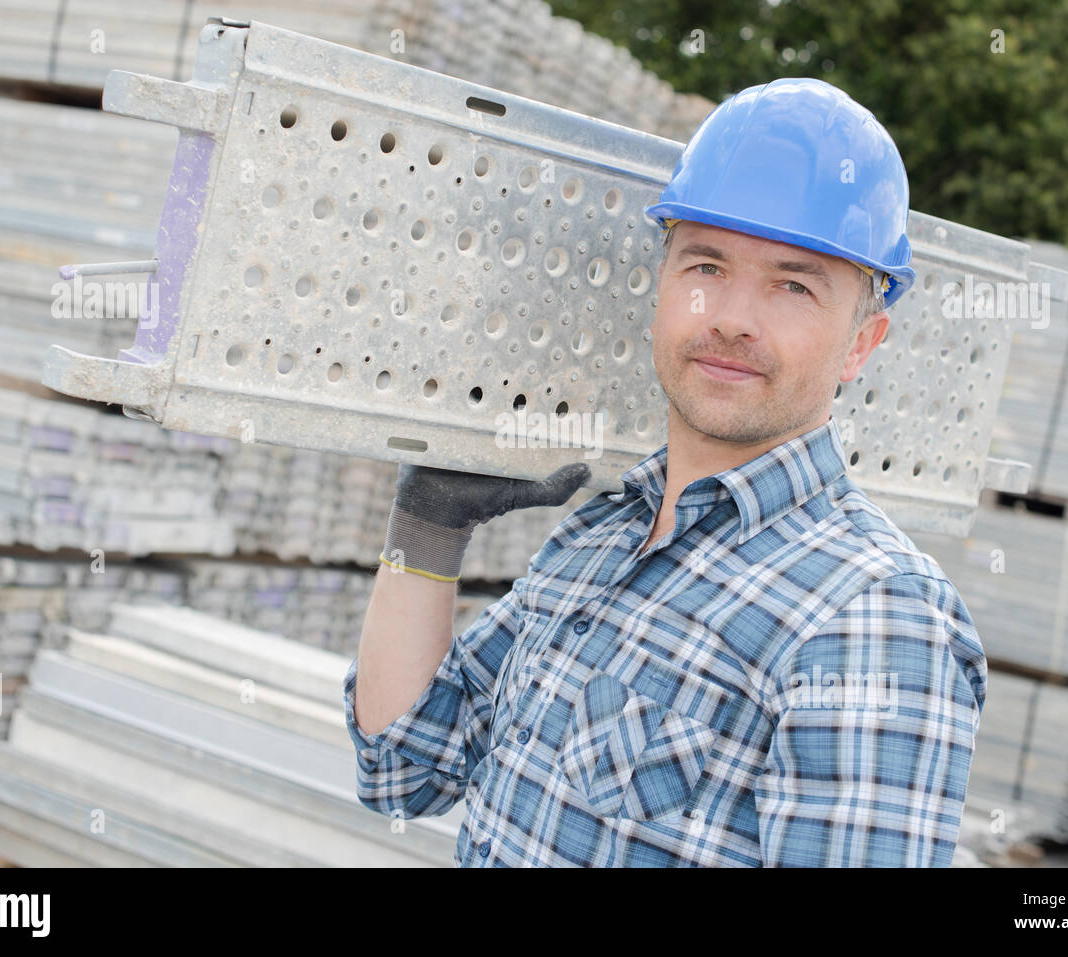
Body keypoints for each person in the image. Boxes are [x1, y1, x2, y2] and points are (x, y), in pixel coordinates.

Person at [344, 77, 986, 867]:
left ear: (862, 341)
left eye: (793, 284)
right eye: (706, 265)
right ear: (662, 285)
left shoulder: (872, 617)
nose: (731, 317)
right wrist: (429, 528)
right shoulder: (599, 539)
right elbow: (403, 767)